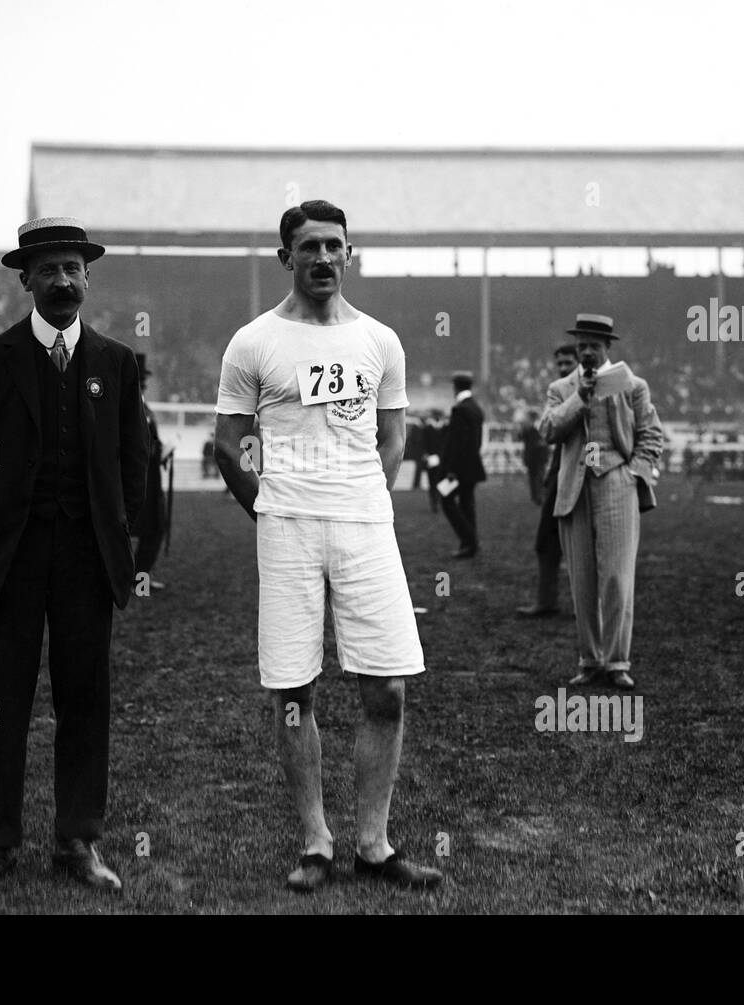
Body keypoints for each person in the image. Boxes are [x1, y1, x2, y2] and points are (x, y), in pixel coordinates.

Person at [213, 200, 441, 893]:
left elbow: (393, 437)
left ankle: (374, 841)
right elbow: (227, 444)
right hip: (287, 524)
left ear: (349, 253)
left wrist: (365, 497)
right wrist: (273, 509)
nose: (321, 258)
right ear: (286, 257)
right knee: (293, 689)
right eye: (307, 246)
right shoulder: (252, 341)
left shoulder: (381, 341)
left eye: (333, 246)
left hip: (365, 524)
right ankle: (316, 840)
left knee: (389, 689)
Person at [0, 217, 149, 898]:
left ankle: (78, 839)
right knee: (4, 703)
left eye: (72, 268)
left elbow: (133, 465)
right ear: (25, 280)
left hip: (87, 563)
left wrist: (113, 532)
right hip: (13, 565)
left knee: (86, 700)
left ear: (88, 278)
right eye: (48, 269)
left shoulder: (116, 364)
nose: (62, 280)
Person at [538, 314, 663, 691]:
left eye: (594, 346)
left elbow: (651, 434)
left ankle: (617, 661)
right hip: (575, 490)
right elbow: (548, 430)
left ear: (607, 348)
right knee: (582, 580)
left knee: (616, 578)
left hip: (615, 484)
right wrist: (580, 397)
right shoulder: (562, 388)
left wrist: (633, 474)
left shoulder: (633, 386)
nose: (587, 352)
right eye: (582, 347)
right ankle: (590, 660)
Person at [516, 344, 578, 617]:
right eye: (560, 364)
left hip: (586, 476)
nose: (563, 368)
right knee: (545, 542)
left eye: (568, 362)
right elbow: (548, 430)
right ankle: (546, 600)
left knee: (587, 546)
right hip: (558, 475)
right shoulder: (557, 392)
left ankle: (591, 606)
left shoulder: (593, 393)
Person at [437, 371, 487, 558]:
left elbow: (457, 443)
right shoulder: (476, 408)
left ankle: (469, 540)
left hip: (458, 469)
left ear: (455, 387)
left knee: (447, 501)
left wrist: (450, 469)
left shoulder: (460, 409)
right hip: (472, 466)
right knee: (467, 504)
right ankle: (471, 544)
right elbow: (474, 441)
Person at [131, 353, 168, 589]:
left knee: (154, 527)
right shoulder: (123, 405)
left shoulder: (144, 407)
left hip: (150, 479)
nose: (143, 383)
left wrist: (162, 450)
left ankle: (140, 577)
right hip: (134, 478)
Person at [522, 410, 548, 506]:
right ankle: (536, 497)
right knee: (534, 478)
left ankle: (538, 497)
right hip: (533, 458)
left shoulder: (539, 428)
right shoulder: (529, 429)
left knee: (538, 478)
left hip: (538, 457)